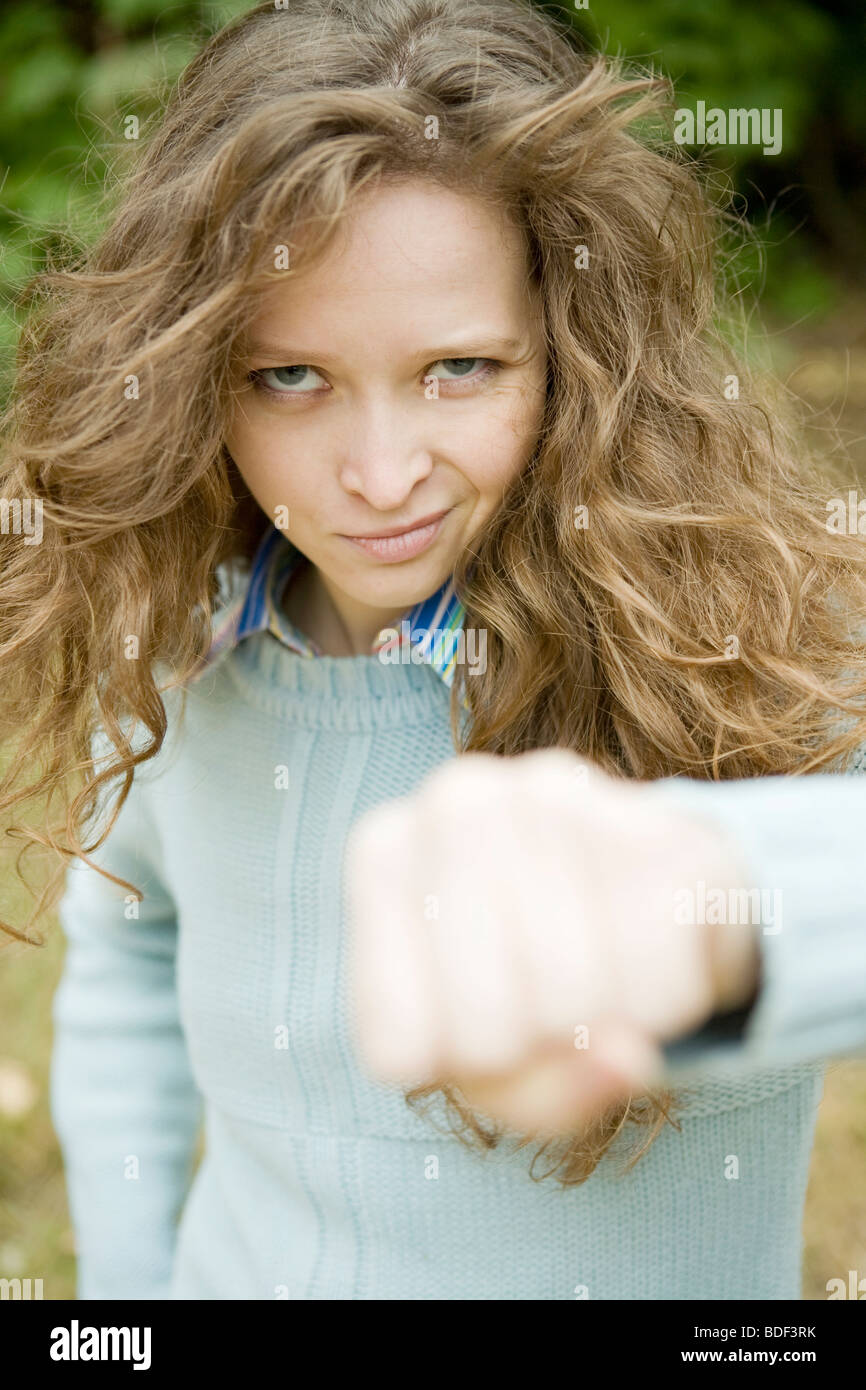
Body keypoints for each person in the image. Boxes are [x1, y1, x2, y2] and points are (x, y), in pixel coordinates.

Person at [2, 0, 865, 1300]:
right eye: (290, 376)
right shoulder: (181, 638)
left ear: (579, 355)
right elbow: (126, 941)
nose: (379, 474)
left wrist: (716, 900)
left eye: (458, 367)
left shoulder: (756, 633)